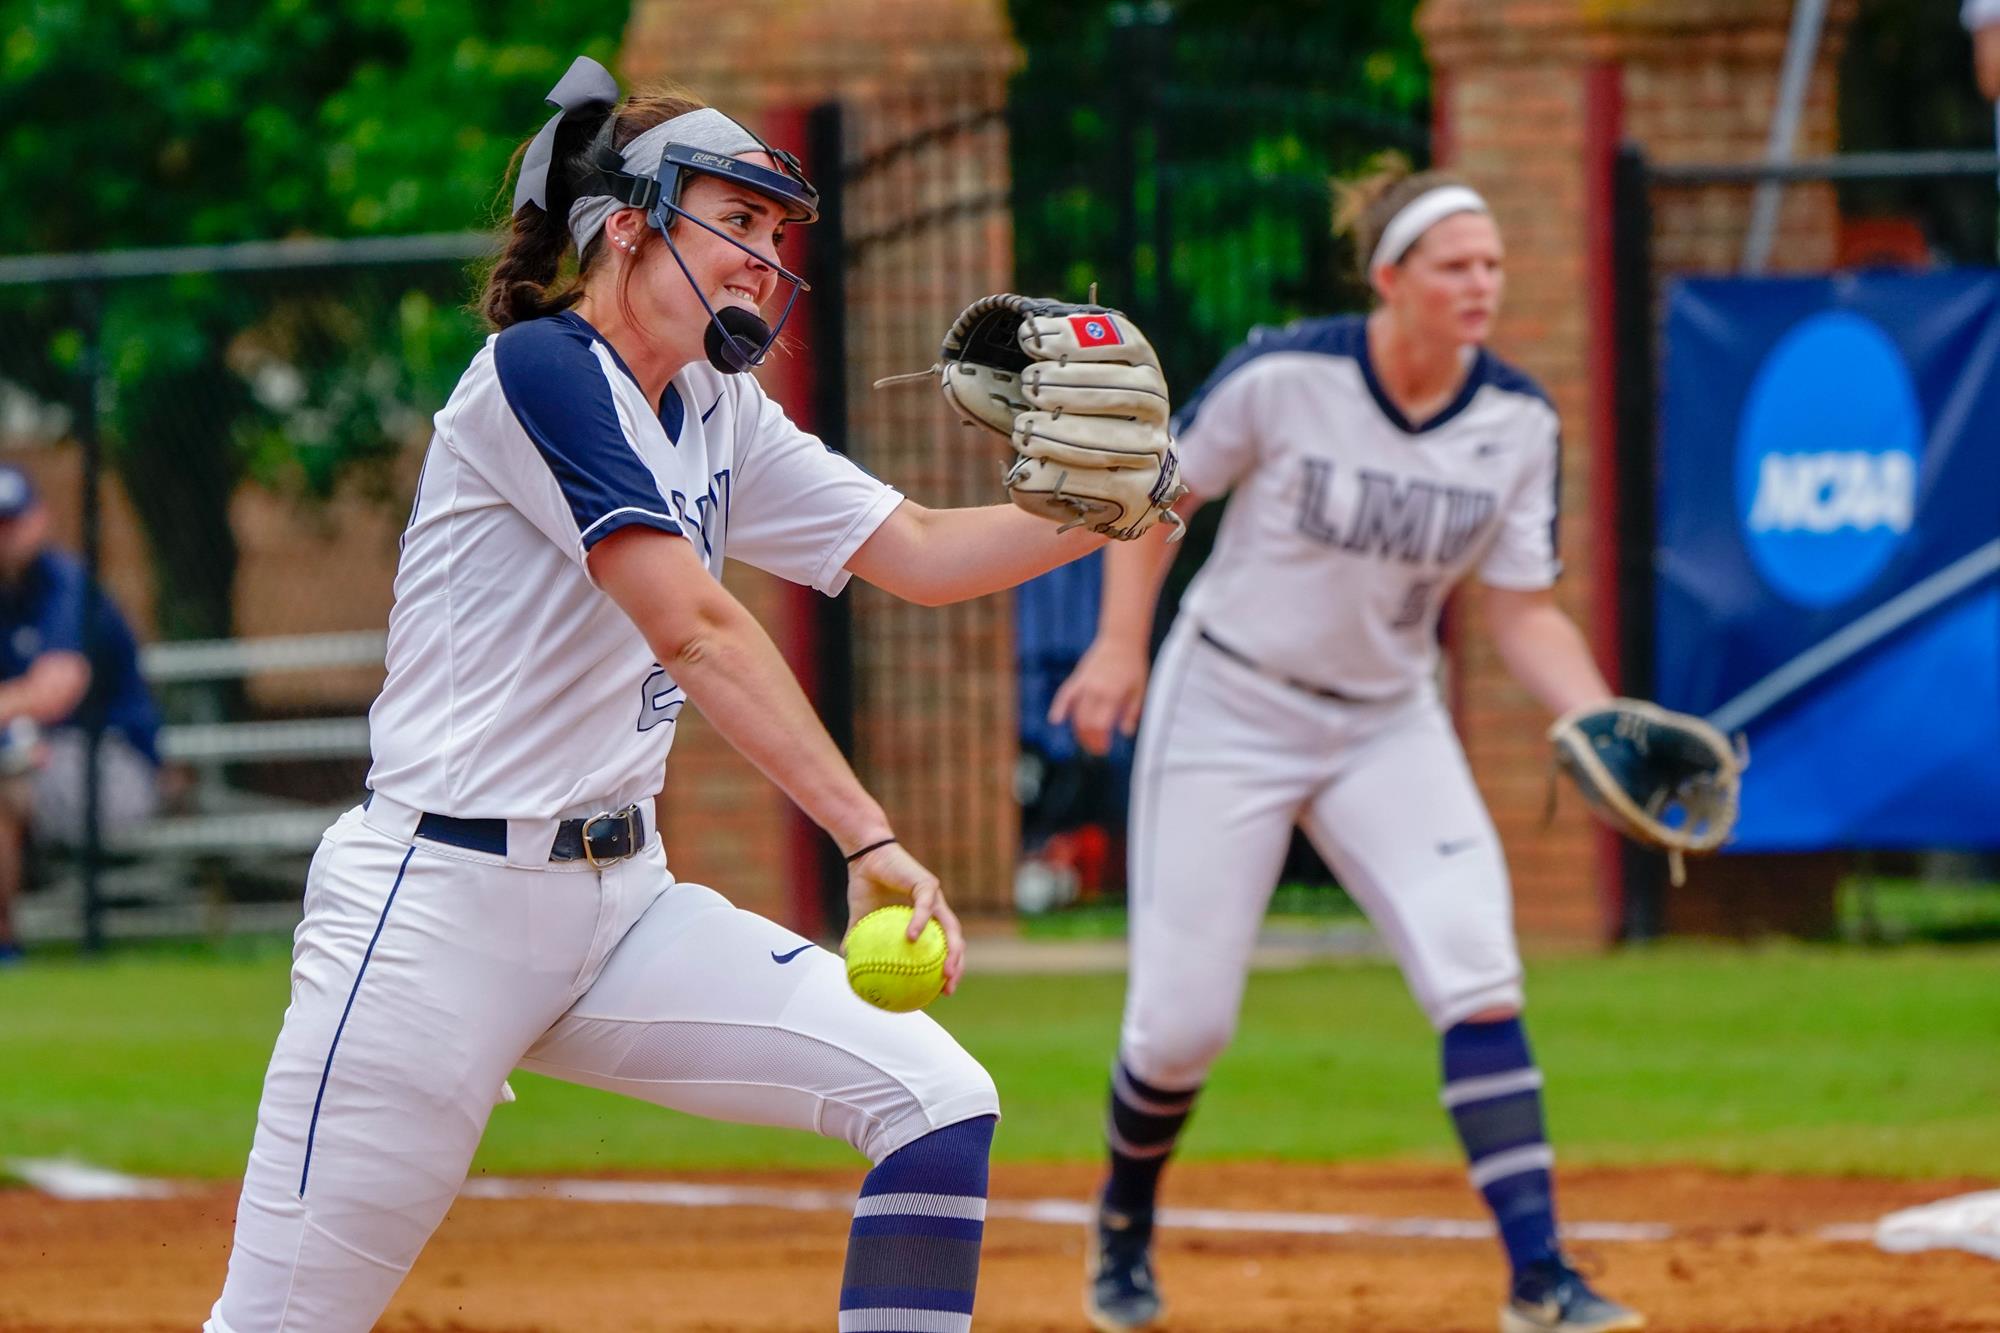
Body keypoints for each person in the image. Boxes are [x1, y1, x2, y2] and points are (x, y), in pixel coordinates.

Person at [204, 55, 1163, 1333]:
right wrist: (864, 835)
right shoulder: (539, 371)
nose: (767, 257)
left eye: (778, 233)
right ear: (625, 225)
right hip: (433, 915)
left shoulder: (717, 404)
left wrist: (1120, 499)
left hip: (619, 908)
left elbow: (921, 556)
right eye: (738, 220)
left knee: (934, 1101)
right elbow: (697, 628)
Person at [1050, 158, 1646, 1333]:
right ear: (1389, 277)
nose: (1481, 284)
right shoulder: (1286, 374)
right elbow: (1155, 499)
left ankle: (1539, 1277)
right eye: (1454, 265)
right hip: (1229, 701)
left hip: (1384, 719)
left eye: (1492, 265)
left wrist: (1591, 717)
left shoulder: (1517, 418)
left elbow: (1521, 608)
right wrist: (1119, 646)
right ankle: (1121, 1220)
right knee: (1181, 1024)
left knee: (1476, 965)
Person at [0, 463, 160, 963]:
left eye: (12, 521)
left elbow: (55, 692)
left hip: (112, 770)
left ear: (39, 519)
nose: (5, 536)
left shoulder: (67, 587)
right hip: (33, 764)